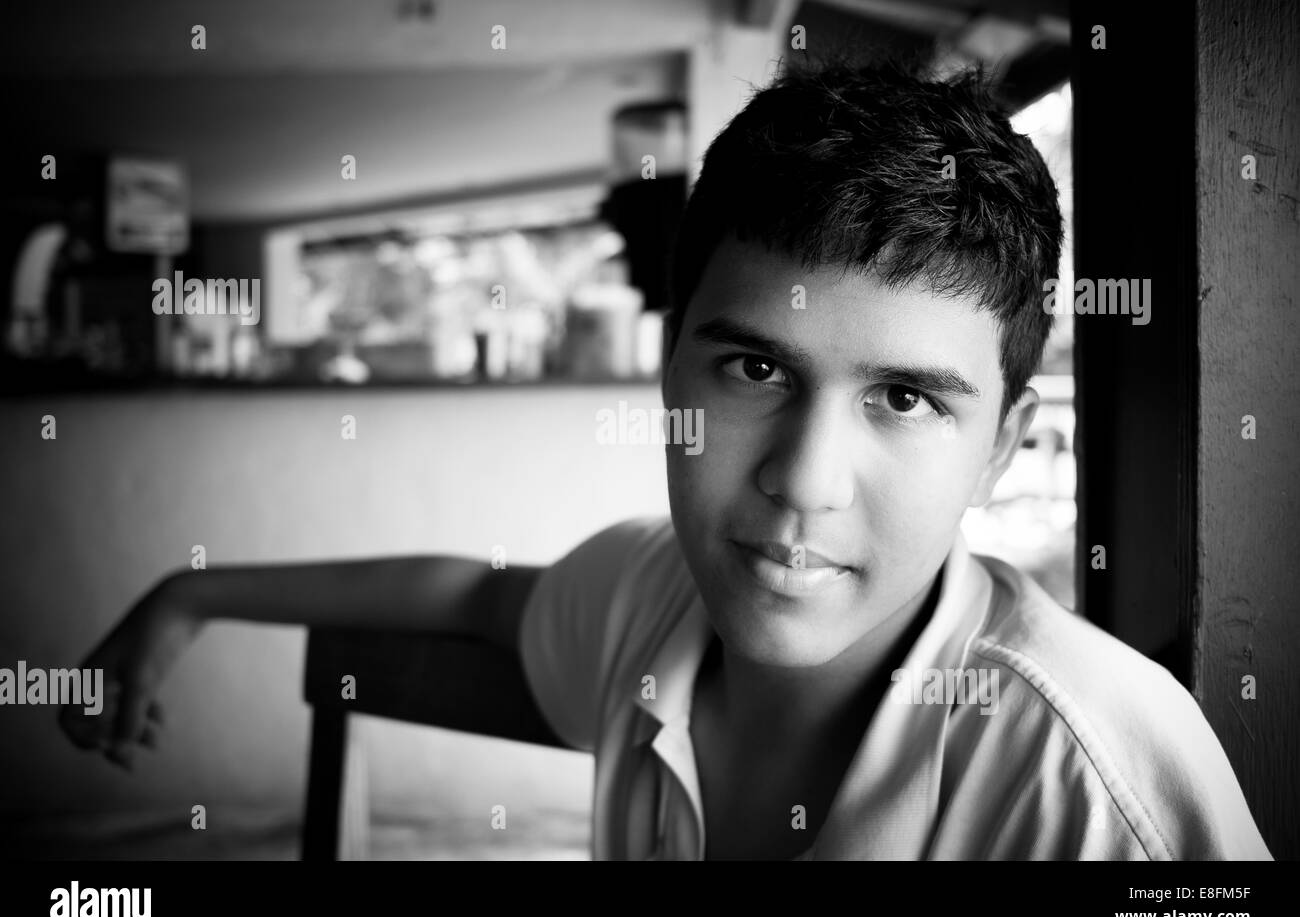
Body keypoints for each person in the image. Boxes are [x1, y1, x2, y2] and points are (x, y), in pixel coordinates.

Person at [60, 61, 1272, 861]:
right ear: (667, 371)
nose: (803, 481)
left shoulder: (1090, 798)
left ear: (1002, 448)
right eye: (753, 370)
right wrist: (192, 593)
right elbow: (474, 597)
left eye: (904, 397)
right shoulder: (654, 608)